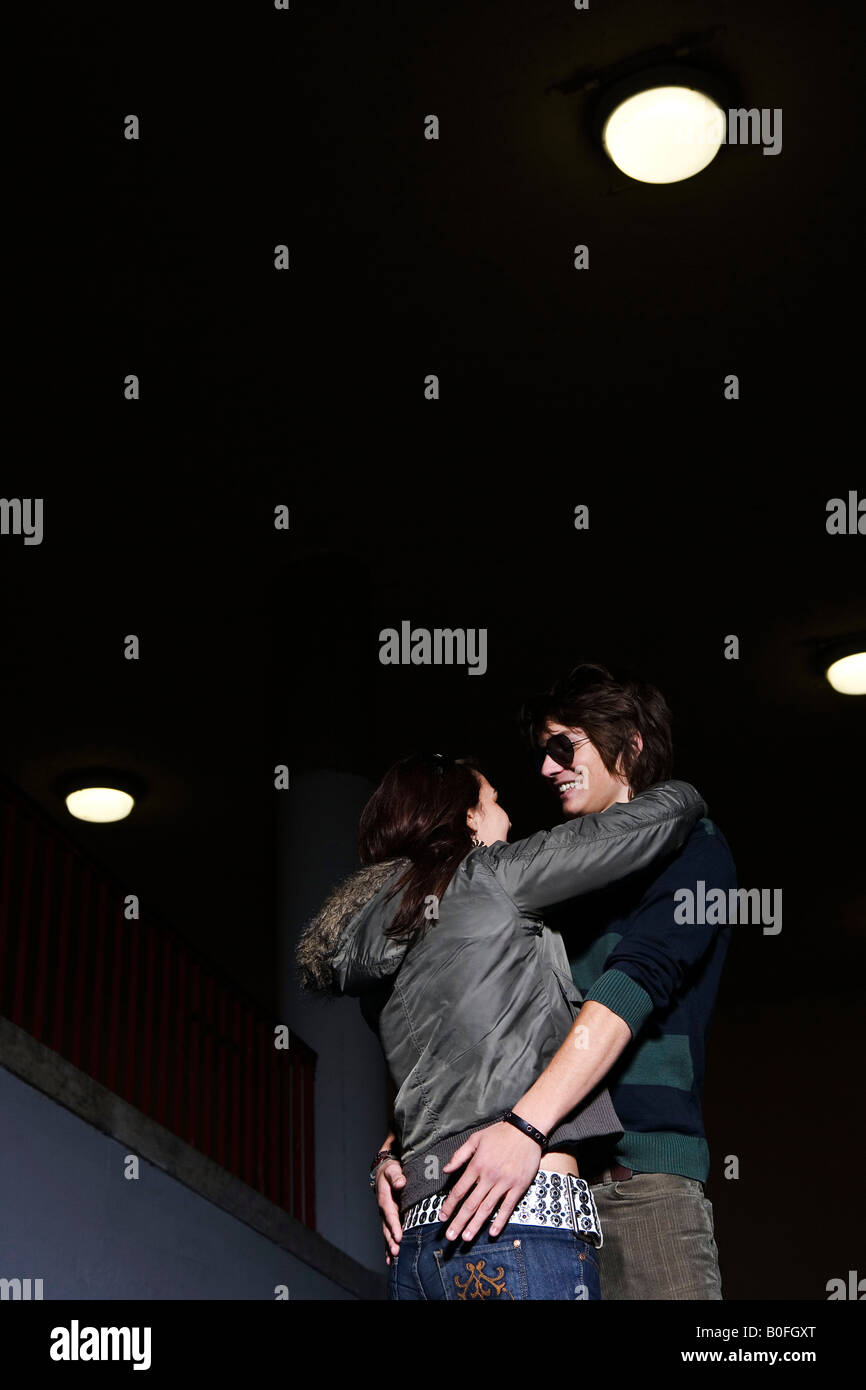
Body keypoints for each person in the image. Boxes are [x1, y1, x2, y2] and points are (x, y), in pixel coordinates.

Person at [377, 666, 735, 1300]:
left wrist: (525, 1125)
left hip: (635, 1187)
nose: (546, 768)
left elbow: (630, 988)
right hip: (530, 1189)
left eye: (564, 745)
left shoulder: (696, 850)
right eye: (543, 751)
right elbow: (471, 1015)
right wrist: (400, 1148)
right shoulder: (545, 870)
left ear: (630, 744)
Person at [297, 750, 707, 1300]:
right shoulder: (490, 875)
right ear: (468, 817)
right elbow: (651, 822)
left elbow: (443, 1070)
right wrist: (681, 790)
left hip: (419, 1242)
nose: (508, 818)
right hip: (512, 1224)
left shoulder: (376, 942)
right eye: (494, 801)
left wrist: (387, 1153)